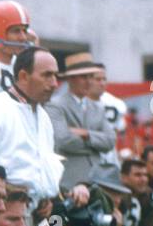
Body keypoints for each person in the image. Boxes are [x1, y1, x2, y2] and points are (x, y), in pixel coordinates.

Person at [0, 46, 88, 210]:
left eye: (56, 76)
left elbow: (45, 165)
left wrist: (46, 199)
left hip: (39, 212)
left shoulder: (43, 117)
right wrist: (1, 190)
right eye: (46, 75)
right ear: (23, 76)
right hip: (0, 212)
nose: (54, 83)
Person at [45, 52, 116, 189]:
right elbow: (63, 141)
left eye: (91, 76)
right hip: (69, 180)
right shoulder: (55, 105)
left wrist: (85, 134)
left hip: (97, 179)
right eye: (84, 77)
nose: (89, 81)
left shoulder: (97, 107)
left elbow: (110, 141)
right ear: (70, 79)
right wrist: (95, 146)